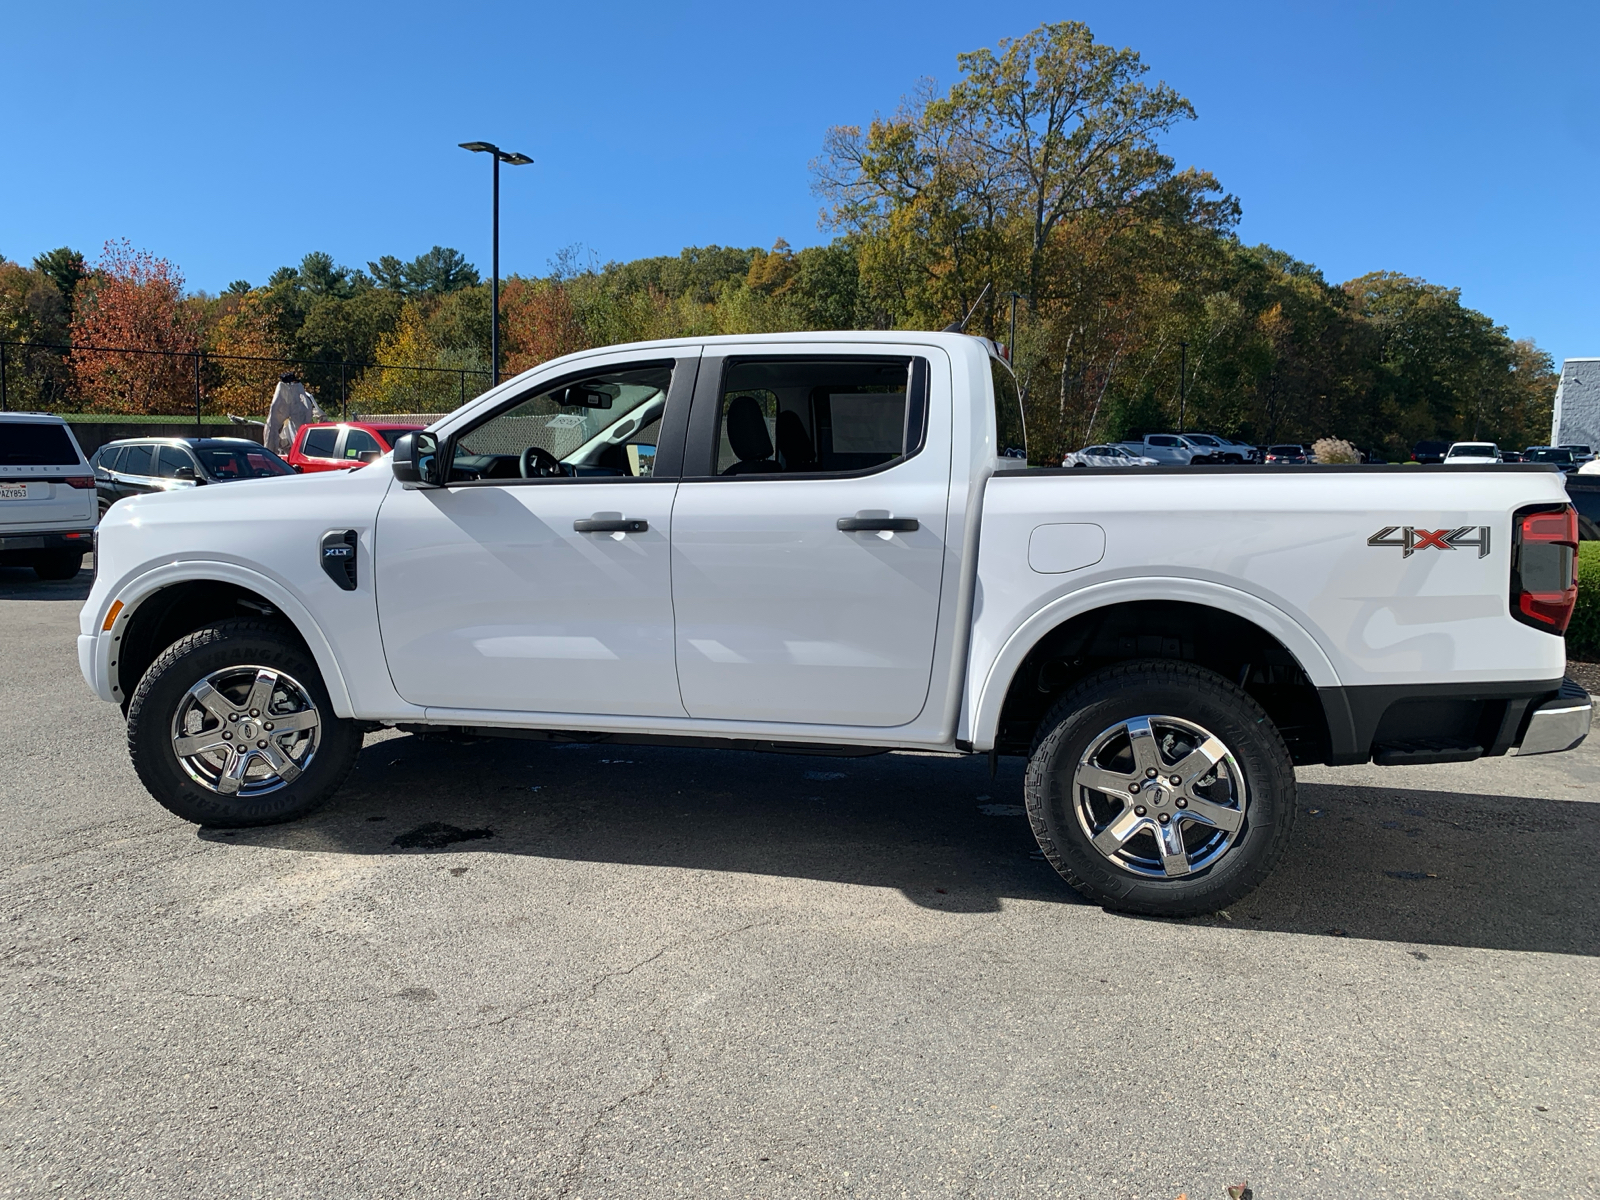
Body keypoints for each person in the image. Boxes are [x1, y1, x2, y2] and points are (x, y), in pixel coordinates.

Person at [263, 374, 326, 455]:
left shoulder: (299, 392)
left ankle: (302, 450)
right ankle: (271, 452)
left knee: (302, 427)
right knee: (272, 426)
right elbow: (272, 424)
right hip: (285, 390)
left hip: (295, 395)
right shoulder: (284, 389)